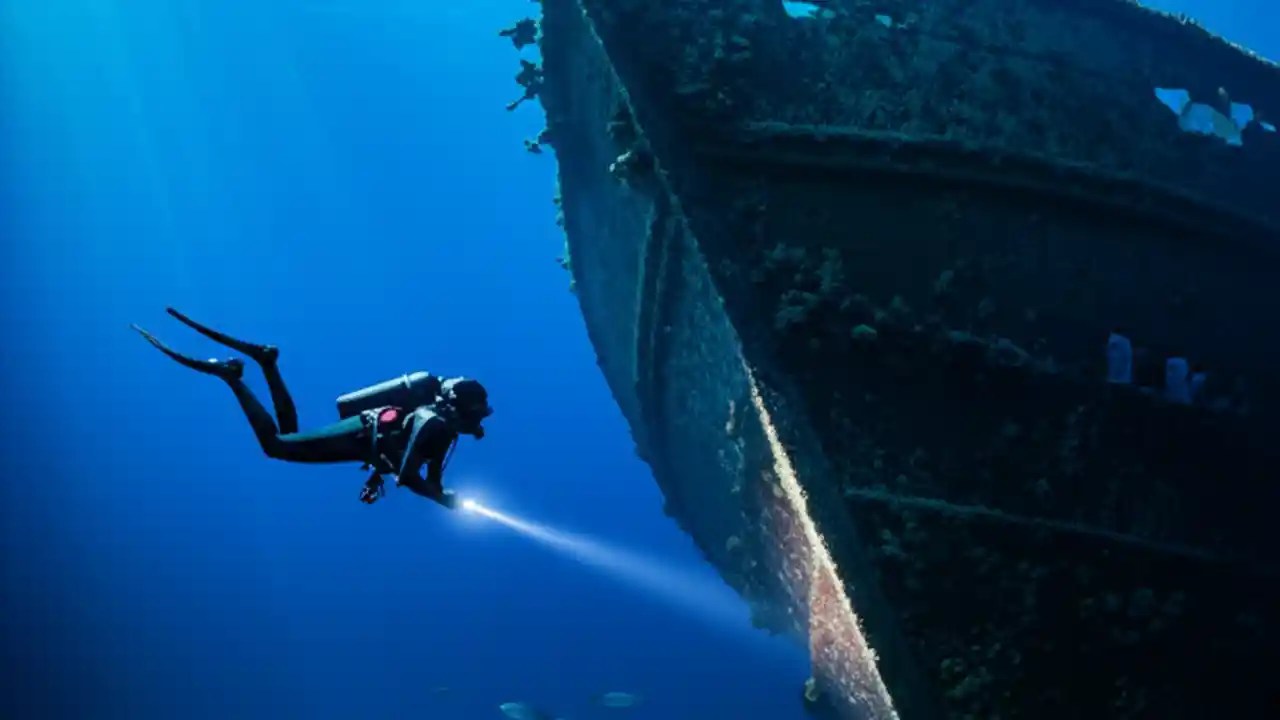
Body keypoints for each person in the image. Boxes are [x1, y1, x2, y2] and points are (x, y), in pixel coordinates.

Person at [131, 308, 492, 508]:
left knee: (288, 436)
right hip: (362, 434)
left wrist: (439, 494)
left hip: (364, 443)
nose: (476, 426)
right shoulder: (432, 423)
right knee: (276, 446)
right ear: (463, 410)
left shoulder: (443, 435)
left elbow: (425, 477)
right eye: (476, 416)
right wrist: (443, 500)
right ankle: (233, 376)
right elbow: (412, 476)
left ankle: (267, 363)